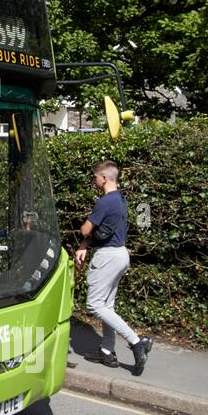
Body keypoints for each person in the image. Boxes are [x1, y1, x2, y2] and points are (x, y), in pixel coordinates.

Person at [76, 160, 152, 375]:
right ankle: (107, 351)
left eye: (95, 177)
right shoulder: (121, 200)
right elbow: (103, 232)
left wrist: (84, 237)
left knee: (94, 305)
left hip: (107, 258)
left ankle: (137, 342)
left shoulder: (104, 202)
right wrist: (85, 246)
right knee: (107, 306)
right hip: (120, 254)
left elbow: (85, 230)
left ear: (104, 178)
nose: (93, 180)